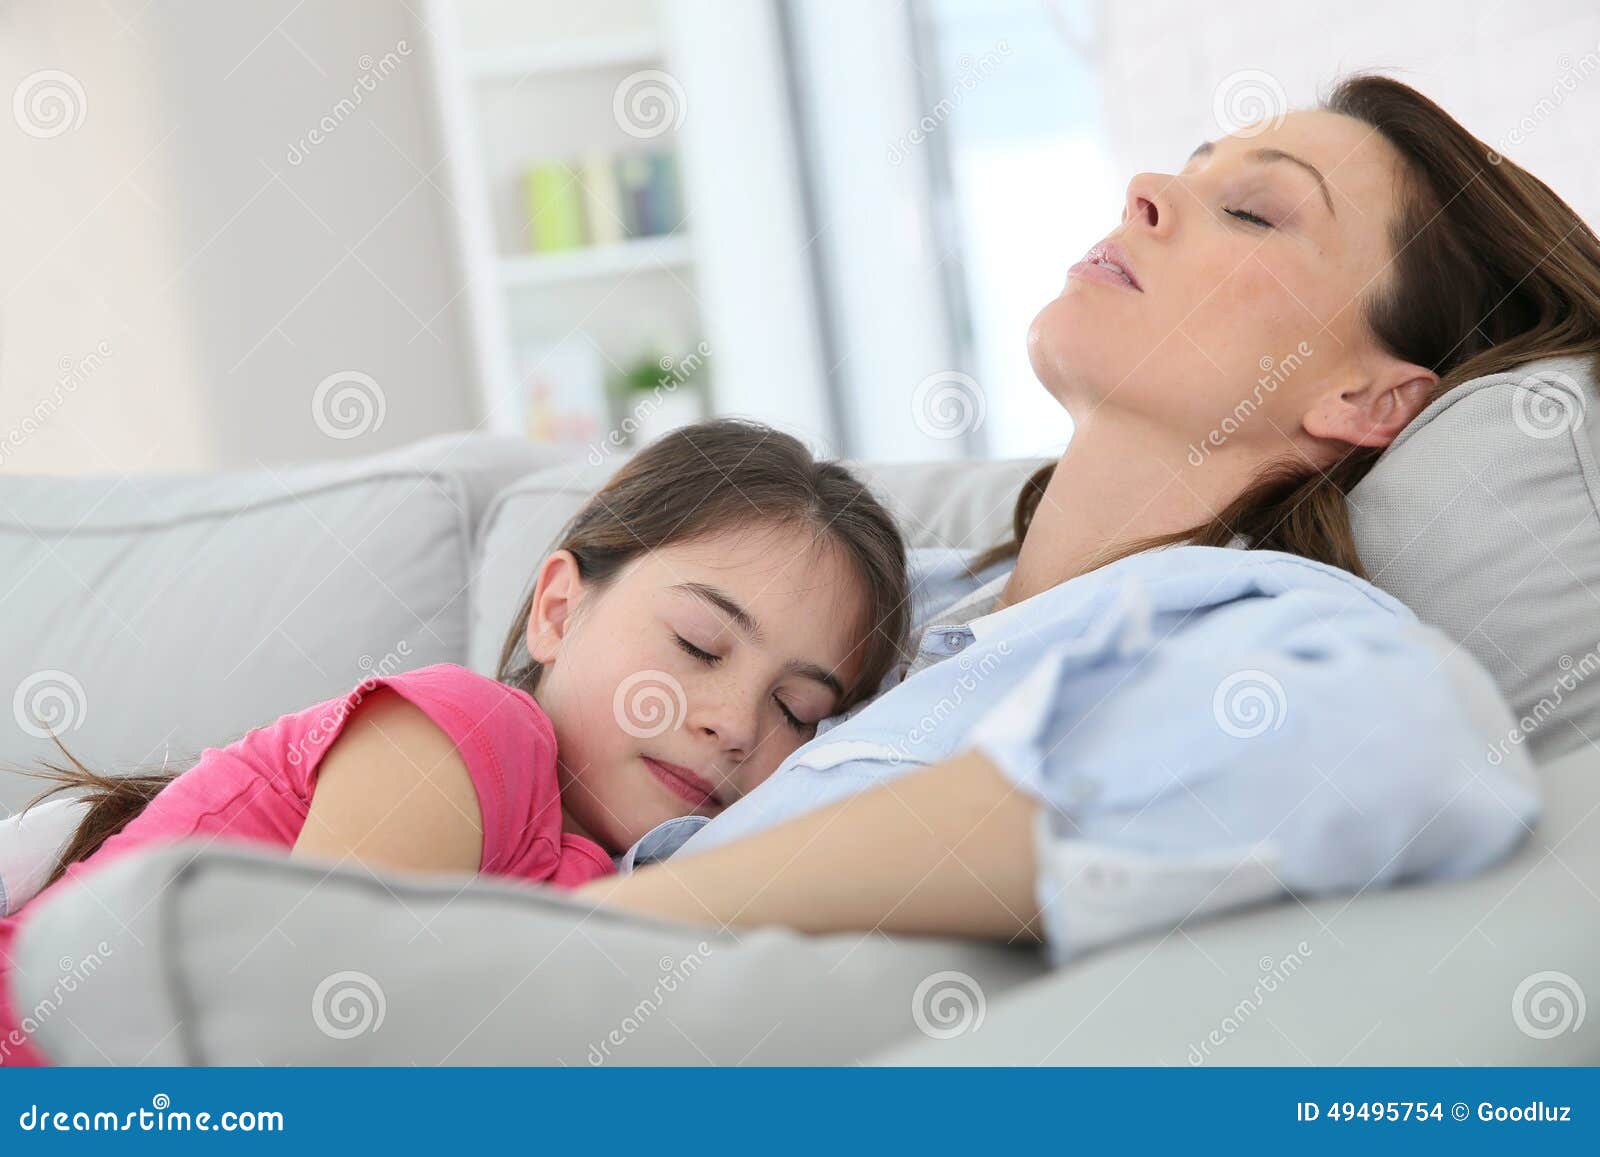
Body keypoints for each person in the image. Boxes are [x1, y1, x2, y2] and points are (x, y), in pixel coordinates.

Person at [575, 74, 1600, 956]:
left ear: (1366, 400)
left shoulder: (1250, 631)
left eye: (1252, 211)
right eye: (1187, 171)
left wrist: (619, 922)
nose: (1145, 190)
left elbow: (1398, 736)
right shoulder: (868, 590)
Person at [0, 419, 911, 1066]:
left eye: (795, 709)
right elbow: (315, 1035)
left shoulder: (636, 889)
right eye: (698, 645)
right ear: (558, 608)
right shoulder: (478, 728)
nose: (738, 724)